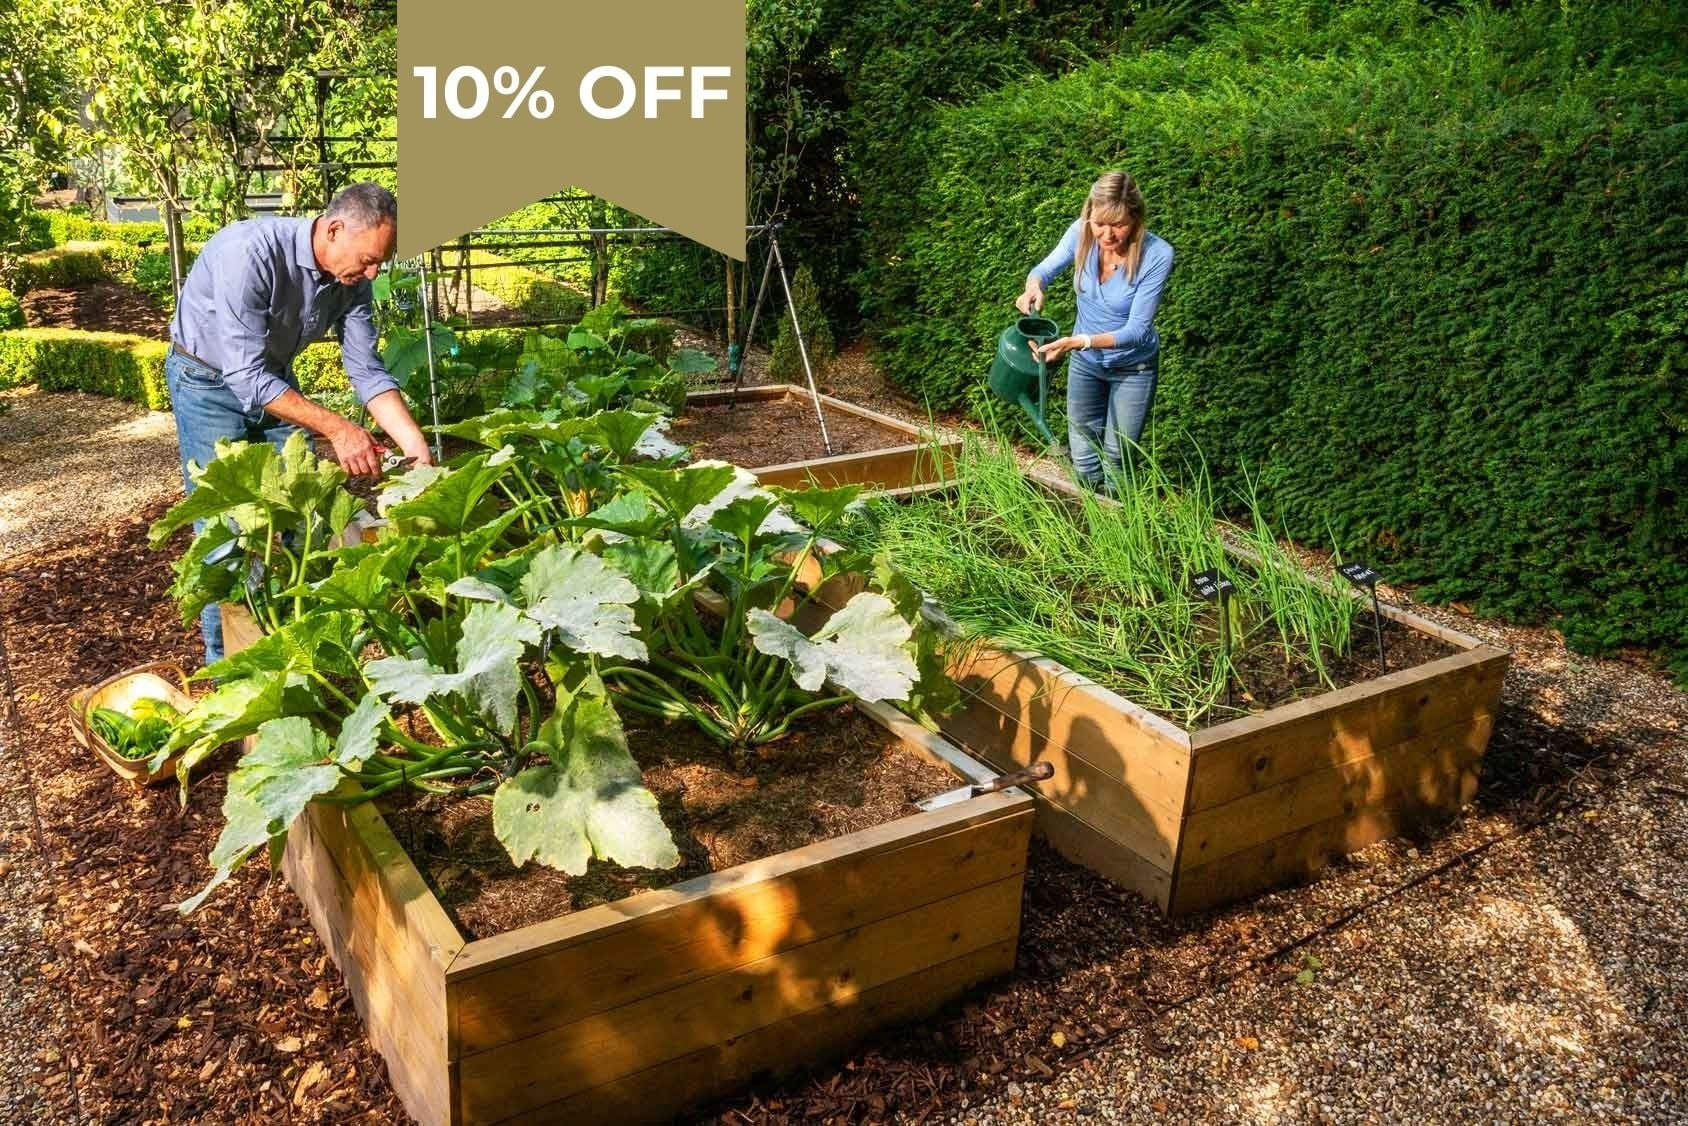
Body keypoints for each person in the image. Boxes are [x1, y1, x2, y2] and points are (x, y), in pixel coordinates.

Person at [165, 181, 433, 663]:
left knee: (297, 522)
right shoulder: (248, 254)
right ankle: (225, 673)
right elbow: (243, 374)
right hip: (206, 383)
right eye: (370, 259)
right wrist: (338, 428)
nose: (373, 272)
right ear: (333, 229)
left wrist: (414, 444)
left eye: (380, 263)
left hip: (272, 381)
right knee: (225, 536)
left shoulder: (353, 280)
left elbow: (366, 369)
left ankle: (289, 658)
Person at [1016, 171, 1174, 487]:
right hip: (1086, 366)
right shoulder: (1081, 232)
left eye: (1119, 225)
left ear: (1137, 218)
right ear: (1089, 214)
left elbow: (1138, 331)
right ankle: (1088, 524)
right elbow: (1044, 269)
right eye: (1099, 223)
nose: (1107, 234)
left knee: (1118, 457)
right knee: (1084, 454)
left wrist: (1080, 341)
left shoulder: (1157, 254)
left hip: (1133, 369)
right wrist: (1033, 286)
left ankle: (1121, 525)